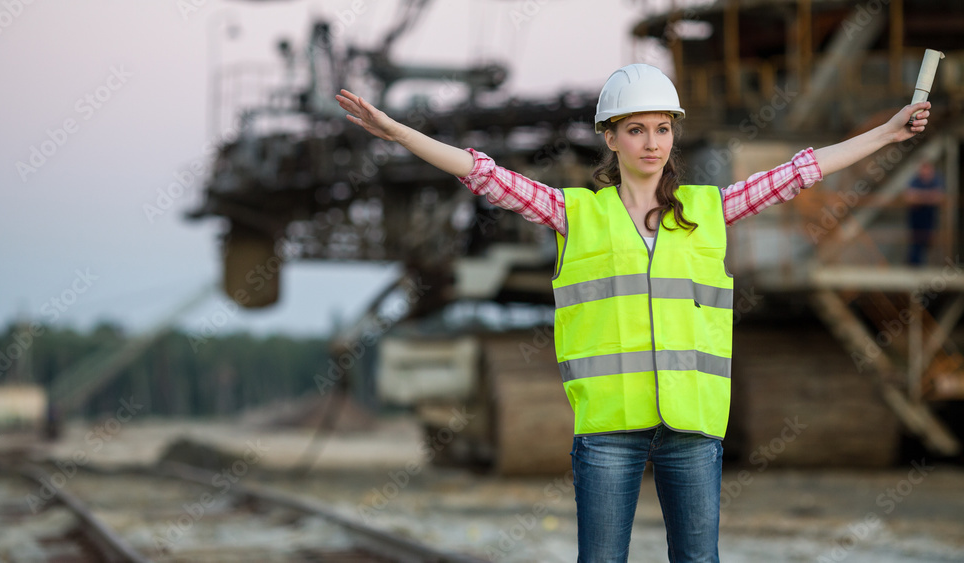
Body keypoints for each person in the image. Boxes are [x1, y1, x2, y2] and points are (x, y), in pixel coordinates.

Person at [336, 63, 932, 562]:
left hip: (692, 423)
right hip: (608, 429)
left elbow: (799, 172)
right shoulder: (576, 214)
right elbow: (484, 175)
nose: (652, 142)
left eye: (663, 129)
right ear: (610, 137)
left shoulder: (708, 210)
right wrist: (400, 133)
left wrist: (885, 133)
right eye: (637, 129)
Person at [905, 160, 945, 266]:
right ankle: (915, 266)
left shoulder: (935, 180)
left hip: (929, 216)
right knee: (916, 242)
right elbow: (909, 197)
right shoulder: (916, 180)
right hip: (916, 215)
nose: (925, 172)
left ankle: (926, 265)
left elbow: (938, 197)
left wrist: (919, 196)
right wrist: (928, 197)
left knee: (930, 241)